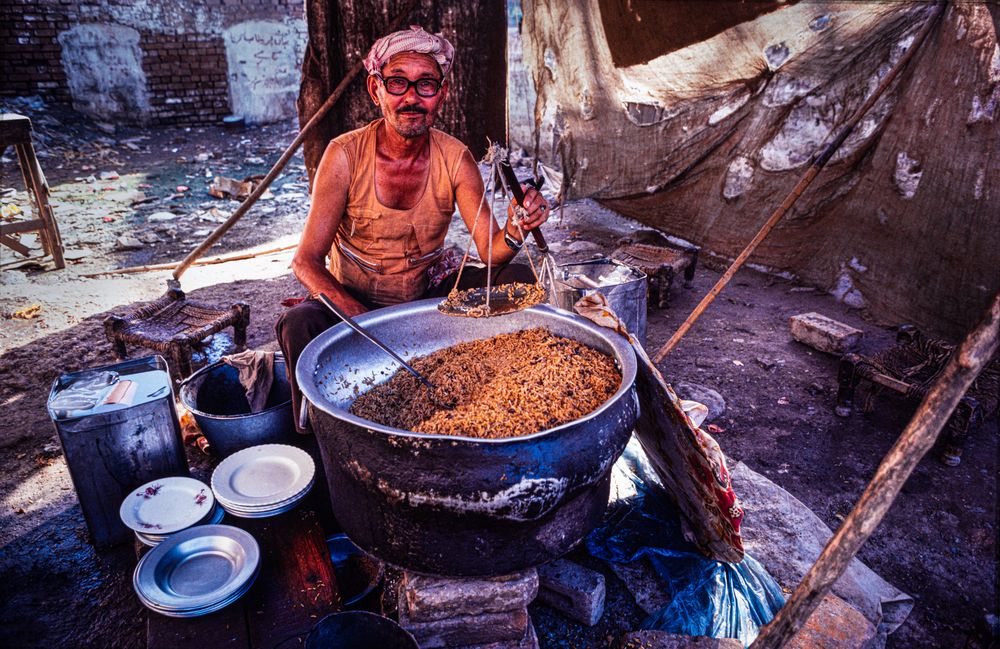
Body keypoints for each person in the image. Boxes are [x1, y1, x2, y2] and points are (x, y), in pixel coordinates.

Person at [276, 25, 550, 427]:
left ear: (441, 94)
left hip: (428, 303)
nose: (411, 98)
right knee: (299, 324)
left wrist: (516, 228)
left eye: (425, 85)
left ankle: (500, 392)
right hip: (353, 305)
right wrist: (359, 319)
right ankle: (321, 434)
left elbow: (491, 251)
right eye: (398, 83)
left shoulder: (456, 159)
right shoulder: (344, 156)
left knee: (519, 278)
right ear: (376, 91)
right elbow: (306, 262)